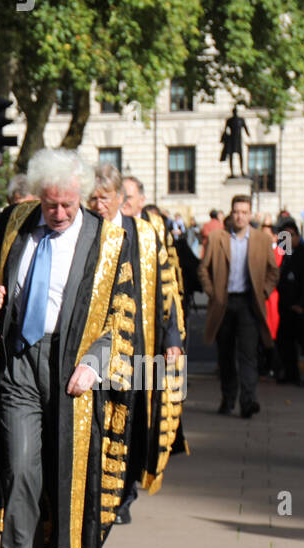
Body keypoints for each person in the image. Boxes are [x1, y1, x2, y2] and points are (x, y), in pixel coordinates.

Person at [0, 148, 135, 548]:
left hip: (74, 369)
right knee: (23, 467)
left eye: (69, 204)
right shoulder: (13, 221)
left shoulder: (109, 240)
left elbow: (123, 314)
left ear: (84, 198)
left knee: (66, 472)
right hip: (21, 362)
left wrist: (96, 361)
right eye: (51, 204)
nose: (60, 214)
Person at [113, 172, 186, 507]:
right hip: (112, 343)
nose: (122, 204)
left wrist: (172, 337)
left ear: (140, 200)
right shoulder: (104, 229)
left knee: (140, 415)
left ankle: (127, 488)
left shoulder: (153, 233)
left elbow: (170, 291)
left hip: (146, 342)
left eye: (128, 198)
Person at [198, 194, 280, 417]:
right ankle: (228, 398)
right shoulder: (218, 238)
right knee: (225, 355)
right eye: (236, 212)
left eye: (244, 212)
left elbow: (274, 270)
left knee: (248, 354)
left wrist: (264, 291)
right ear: (231, 213)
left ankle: (248, 401)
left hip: (248, 303)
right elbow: (203, 268)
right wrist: (212, 292)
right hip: (224, 303)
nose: (240, 216)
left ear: (250, 214)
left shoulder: (262, 241)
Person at [275, 215, 304, 387]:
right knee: (285, 342)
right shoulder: (284, 255)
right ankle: (290, 372)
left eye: (291, 235)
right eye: (284, 236)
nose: (287, 239)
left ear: (297, 236)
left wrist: (302, 304)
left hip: (303, 307)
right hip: (286, 307)